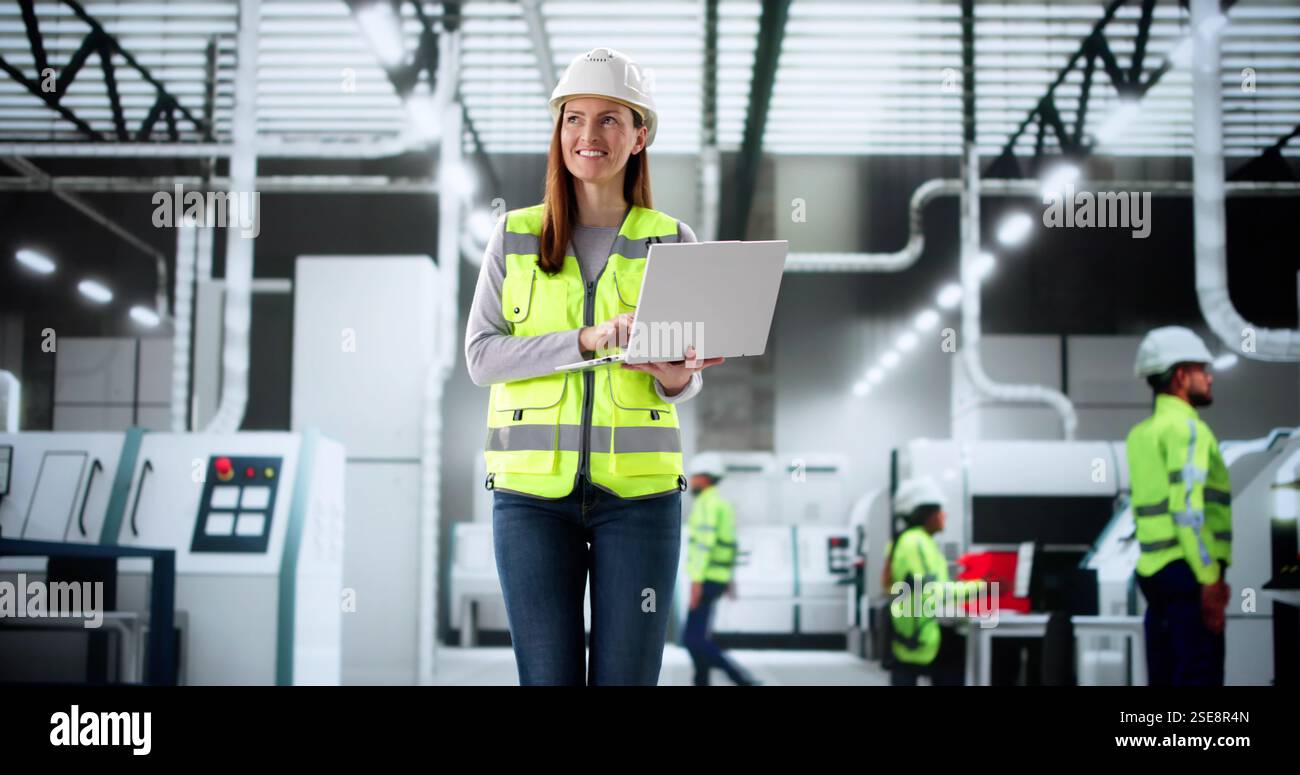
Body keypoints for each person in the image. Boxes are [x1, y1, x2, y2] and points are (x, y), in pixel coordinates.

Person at [464, 47, 725, 686]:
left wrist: (675, 375)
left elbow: (683, 383)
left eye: (610, 119)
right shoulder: (515, 235)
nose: (589, 135)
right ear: (558, 132)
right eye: (574, 118)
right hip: (530, 498)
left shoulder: (671, 239)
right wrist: (585, 340)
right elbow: (481, 358)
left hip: (640, 498)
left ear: (640, 136)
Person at [1127, 326, 1232, 686]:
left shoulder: (1140, 436)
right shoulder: (1187, 429)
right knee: (1199, 679)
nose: (1210, 377)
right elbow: (1187, 510)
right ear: (1182, 376)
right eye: (1203, 369)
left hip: (1155, 577)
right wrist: (1209, 579)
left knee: (1166, 677)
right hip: (1189, 575)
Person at [883, 477, 982, 686]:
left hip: (914, 631)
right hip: (922, 636)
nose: (943, 515)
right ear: (925, 513)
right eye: (939, 509)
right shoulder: (916, 542)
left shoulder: (915, 540)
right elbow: (931, 591)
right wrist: (981, 587)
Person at [681, 453, 757, 686]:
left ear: (704, 478)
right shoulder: (721, 504)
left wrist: (696, 582)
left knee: (692, 639)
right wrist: (729, 580)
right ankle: (701, 681)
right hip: (717, 578)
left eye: (694, 477)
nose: (691, 481)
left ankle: (742, 679)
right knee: (697, 637)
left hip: (706, 579)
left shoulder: (707, 504)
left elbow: (704, 545)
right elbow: (729, 545)